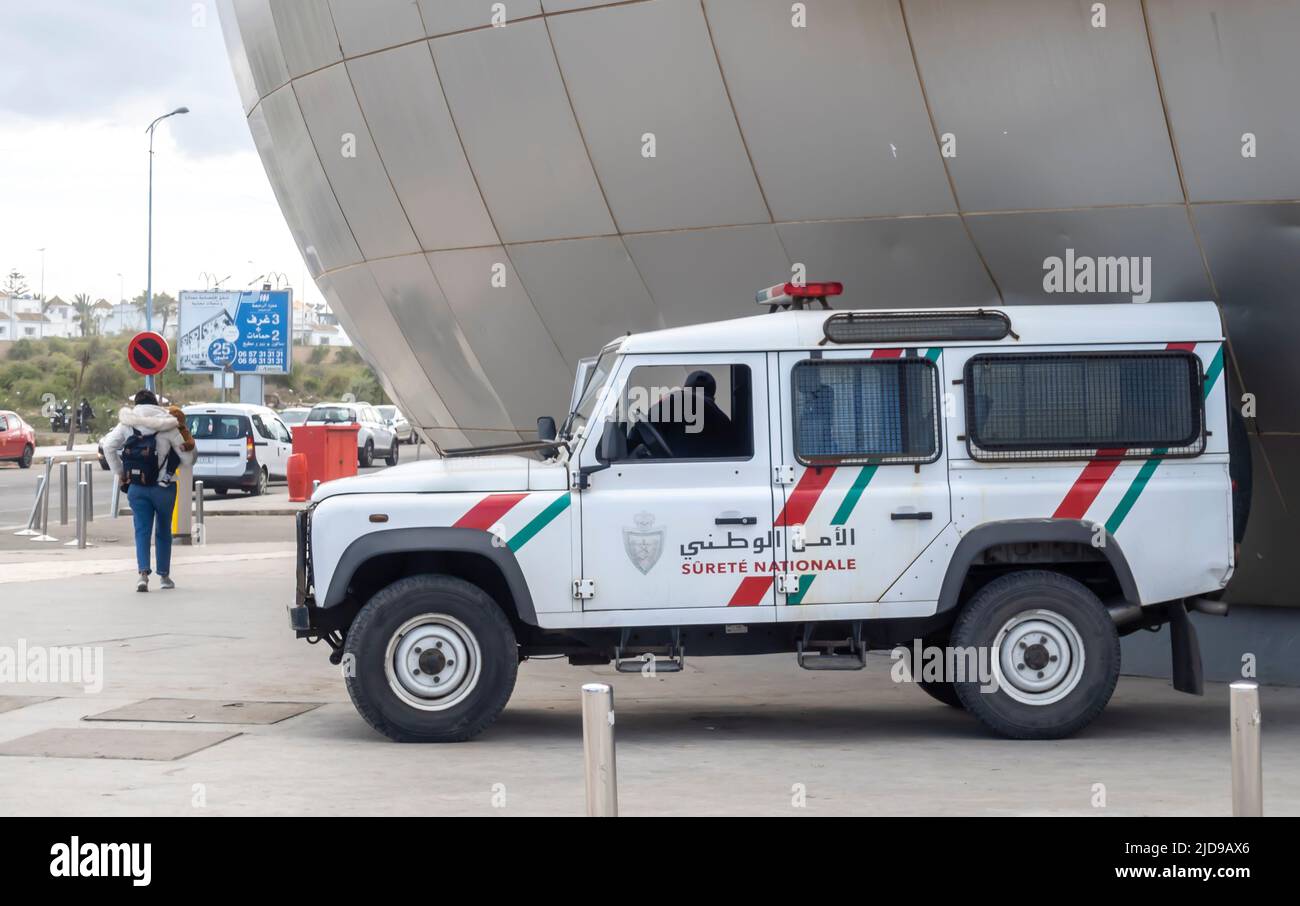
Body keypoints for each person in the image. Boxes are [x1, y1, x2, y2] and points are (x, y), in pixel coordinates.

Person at [101, 390, 196, 592]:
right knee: (163, 531)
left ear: (137, 405)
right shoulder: (169, 425)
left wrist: (121, 472)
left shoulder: (127, 423)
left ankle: (143, 575)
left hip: (137, 486)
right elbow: (188, 459)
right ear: (156, 404)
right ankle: (164, 577)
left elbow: (108, 446)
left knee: (141, 531)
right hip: (164, 487)